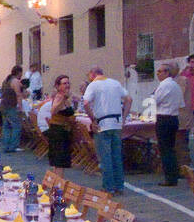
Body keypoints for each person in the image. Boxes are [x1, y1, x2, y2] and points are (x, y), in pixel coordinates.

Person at [82, 67, 131, 195]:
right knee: (116, 156)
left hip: (102, 124)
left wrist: (92, 119)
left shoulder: (93, 85)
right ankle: (119, 186)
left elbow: (86, 103)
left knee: (105, 157)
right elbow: (129, 99)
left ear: (93, 74)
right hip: (116, 123)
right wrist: (124, 117)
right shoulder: (115, 83)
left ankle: (108, 187)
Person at [152, 63, 183, 186]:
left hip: (164, 118)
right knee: (170, 148)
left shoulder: (164, 85)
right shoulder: (175, 85)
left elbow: (154, 101)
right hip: (173, 118)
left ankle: (169, 177)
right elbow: (181, 104)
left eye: (159, 72)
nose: (158, 74)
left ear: (166, 73)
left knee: (165, 149)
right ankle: (173, 174)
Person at [45, 75, 76, 172]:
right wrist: (63, 99)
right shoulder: (59, 97)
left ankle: (56, 184)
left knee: (59, 162)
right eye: (64, 83)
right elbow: (53, 110)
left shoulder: (65, 98)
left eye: (68, 83)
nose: (67, 85)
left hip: (63, 131)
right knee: (59, 161)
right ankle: (59, 185)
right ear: (58, 86)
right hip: (58, 132)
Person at [0, 66, 26, 153]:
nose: (21, 75)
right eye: (21, 73)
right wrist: (21, 107)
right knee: (17, 125)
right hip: (11, 106)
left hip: (3, 105)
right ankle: (14, 146)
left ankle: (6, 146)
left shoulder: (6, 80)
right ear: (18, 72)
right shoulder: (15, 81)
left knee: (6, 126)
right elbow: (18, 95)